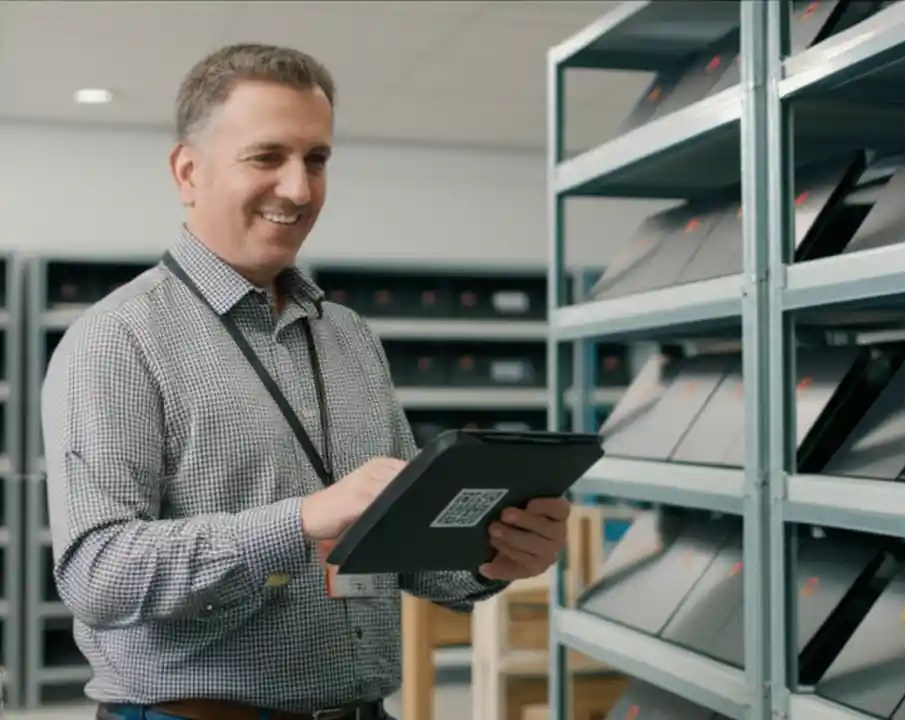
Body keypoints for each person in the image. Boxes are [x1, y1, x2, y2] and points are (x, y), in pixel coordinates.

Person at [41, 42, 571, 720]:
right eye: (267, 157)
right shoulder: (118, 339)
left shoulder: (348, 336)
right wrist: (297, 522)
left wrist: (492, 557)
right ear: (188, 171)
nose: (299, 188)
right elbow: (98, 575)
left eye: (315, 160)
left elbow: (400, 547)